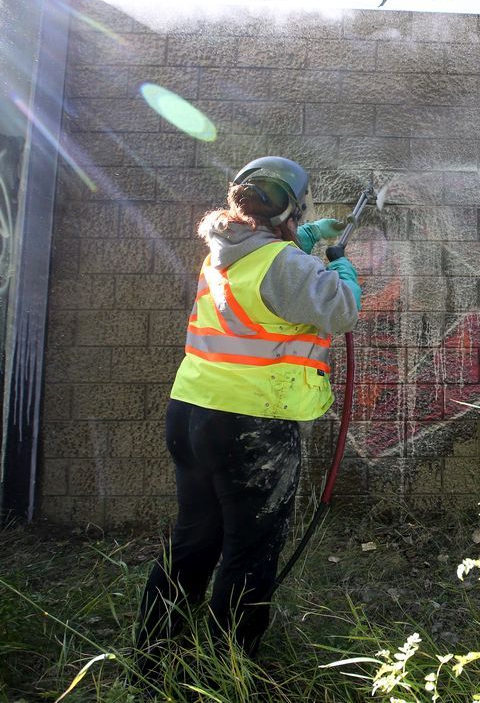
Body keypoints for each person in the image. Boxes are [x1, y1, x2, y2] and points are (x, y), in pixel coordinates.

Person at [135, 156, 362, 667]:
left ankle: (152, 657)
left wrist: (302, 242)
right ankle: (228, 669)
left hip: (191, 413)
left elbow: (267, 269)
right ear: (294, 208)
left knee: (193, 539)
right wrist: (342, 273)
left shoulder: (222, 251)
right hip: (250, 428)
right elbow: (340, 308)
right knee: (249, 551)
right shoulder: (284, 265)